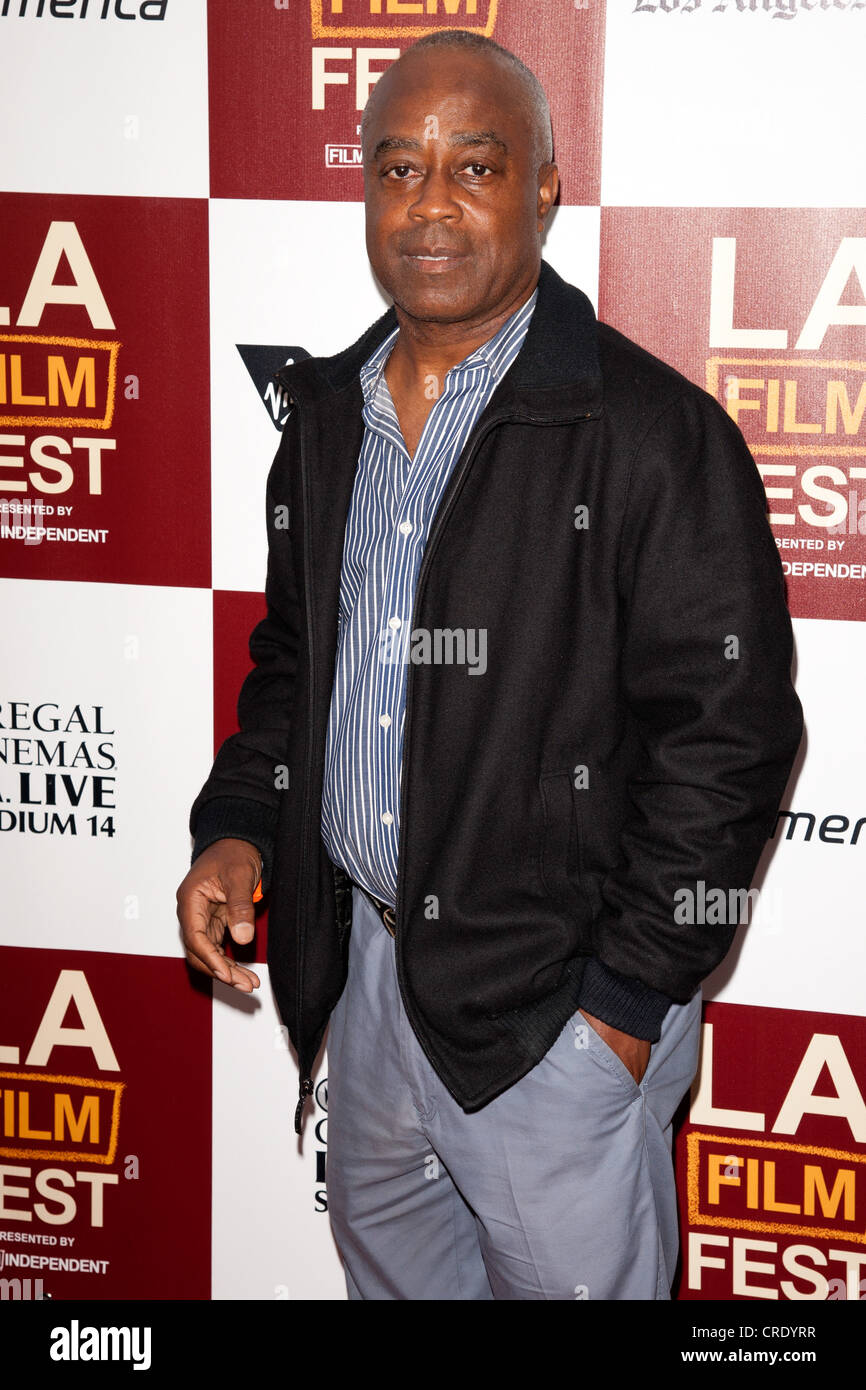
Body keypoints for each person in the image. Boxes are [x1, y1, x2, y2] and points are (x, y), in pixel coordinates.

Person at [177, 30, 803, 1300]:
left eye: (475, 165)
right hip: (364, 988)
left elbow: (726, 739)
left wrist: (620, 1012)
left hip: (549, 1018)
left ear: (546, 189)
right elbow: (296, 667)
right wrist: (241, 824)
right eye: (398, 169)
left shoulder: (648, 435)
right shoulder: (325, 417)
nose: (431, 206)